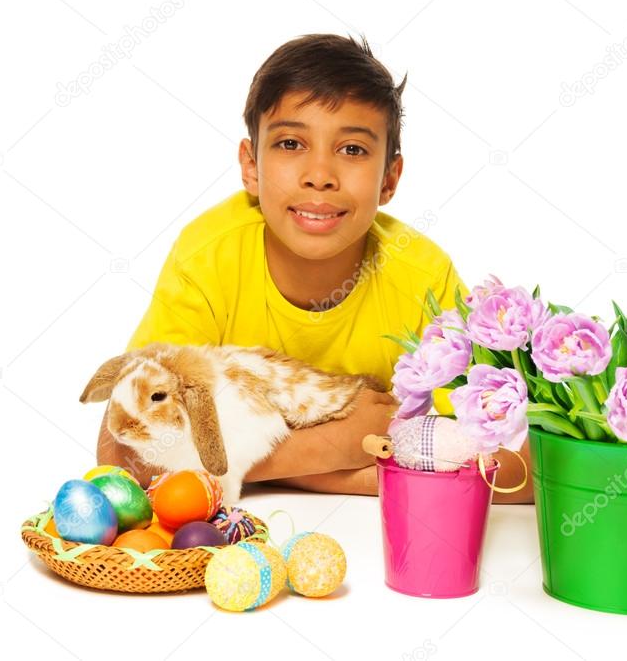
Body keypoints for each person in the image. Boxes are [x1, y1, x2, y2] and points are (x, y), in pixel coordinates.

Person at [96, 33, 531, 502]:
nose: (319, 174)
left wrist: (260, 467)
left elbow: (522, 468)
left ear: (389, 178)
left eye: (352, 150)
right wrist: (333, 447)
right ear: (251, 167)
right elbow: (121, 455)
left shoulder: (420, 274)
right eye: (289, 143)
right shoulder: (209, 256)